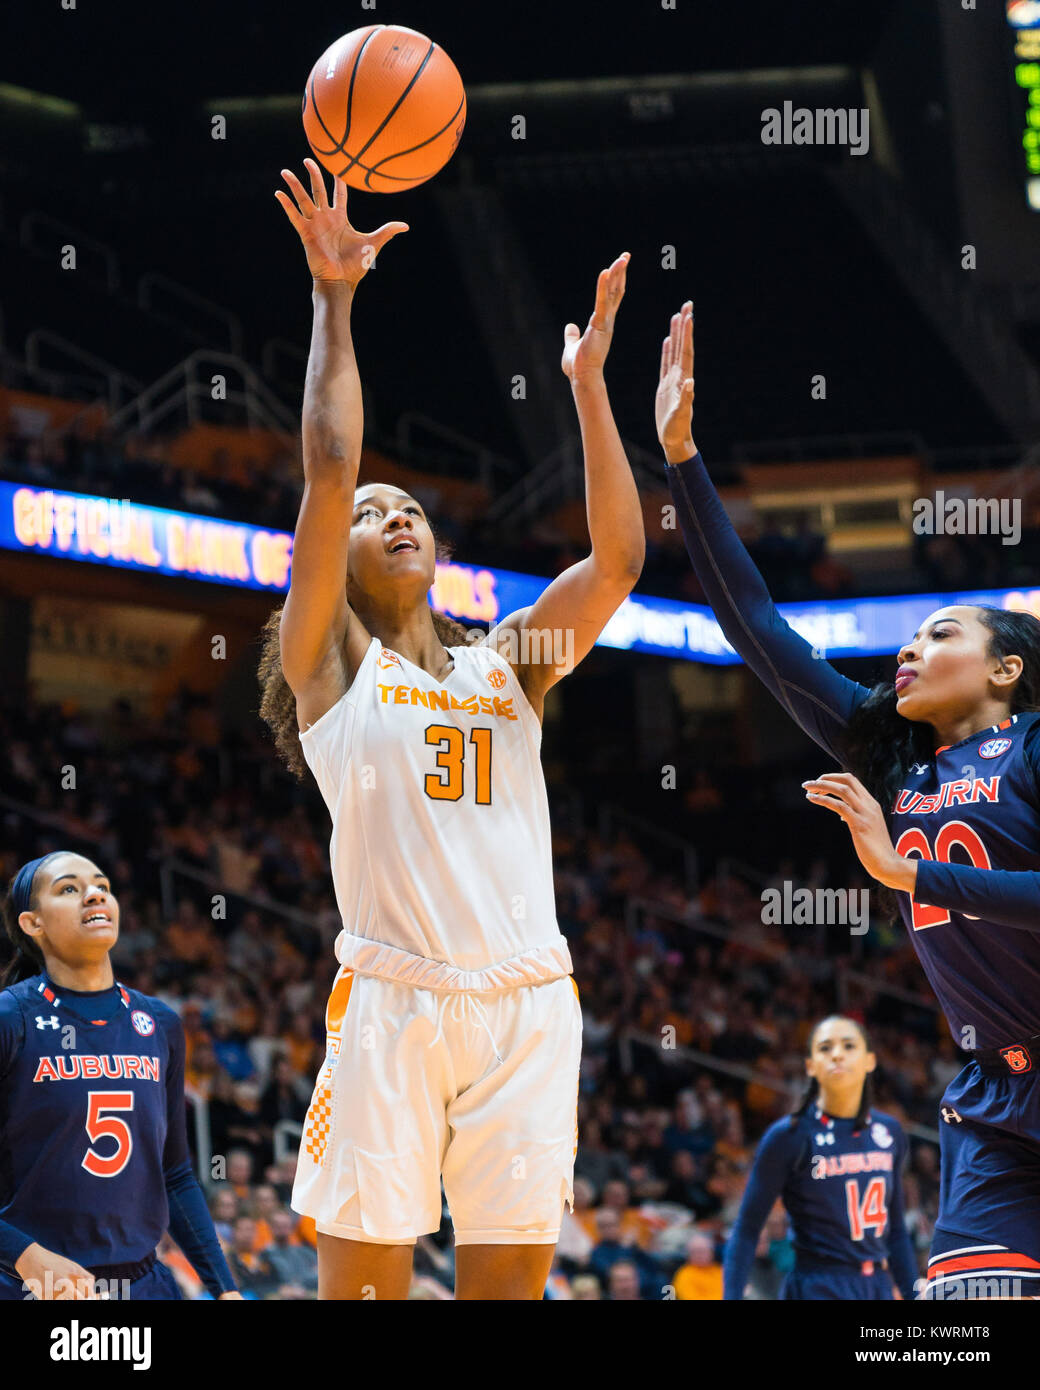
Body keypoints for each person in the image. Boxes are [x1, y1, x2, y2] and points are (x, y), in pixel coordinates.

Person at [259, 159, 645, 1300]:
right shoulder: (330, 670)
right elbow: (331, 468)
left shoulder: (507, 669)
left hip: (529, 1000)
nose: (394, 513)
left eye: (409, 506)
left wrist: (585, 387)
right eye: (375, 516)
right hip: (395, 994)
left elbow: (617, 562)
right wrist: (334, 298)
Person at [656, 301, 1040, 1299]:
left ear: (1004, 669)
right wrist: (681, 455)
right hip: (994, 1102)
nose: (908, 649)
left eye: (940, 632)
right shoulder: (891, 764)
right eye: (904, 639)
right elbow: (756, 628)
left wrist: (907, 868)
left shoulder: (1036, 743)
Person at [0, 851, 240, 1301]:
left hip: (145, 1284)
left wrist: (224, 1288)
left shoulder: (159, 1023)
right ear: (33, 923)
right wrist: (23, 1254)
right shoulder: (12, 1017)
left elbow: (175, 1176)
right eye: (69, 889)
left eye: (102, 887)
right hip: (32, 1287)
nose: (94, 895)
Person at [722, 1017, 917, 1300]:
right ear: (811, 1066)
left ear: (870, 1061)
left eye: (849, 1046)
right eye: (825, 1048)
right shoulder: (789, 1136)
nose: (837, 1054)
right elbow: (747, 1229)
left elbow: (896, 1231)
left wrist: (911, 1293)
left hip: (877, 1285)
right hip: (818, 1284)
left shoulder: (889, 1131)